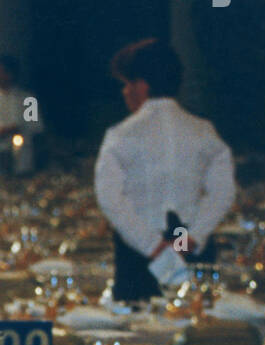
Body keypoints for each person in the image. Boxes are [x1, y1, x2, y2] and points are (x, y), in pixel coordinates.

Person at [94, 38, 235, 303]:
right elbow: (222, 193)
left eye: (126, 84)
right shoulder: (203, 131)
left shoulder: (121, 135)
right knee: (195, 322)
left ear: (141, 85)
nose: (125, 92)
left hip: (139, 255)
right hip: (190, 248)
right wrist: (191, 239)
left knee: (137, 330)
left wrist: (152, 245)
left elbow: (110, 199)